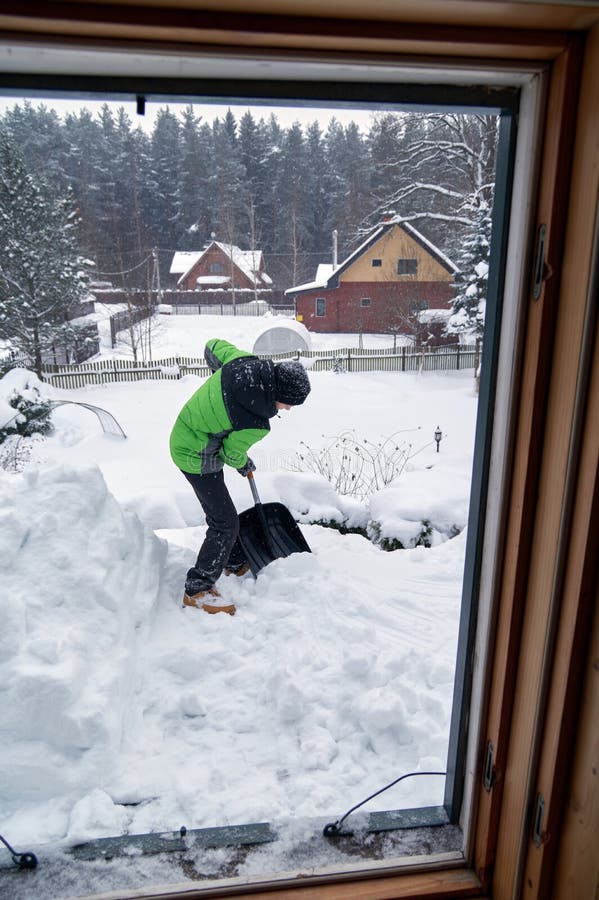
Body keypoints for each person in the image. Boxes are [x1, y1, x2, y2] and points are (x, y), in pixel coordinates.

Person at [170, 338, 311, 615]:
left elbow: (212, 345)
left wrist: (220, 386)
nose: (288, 409)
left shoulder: (242, 362)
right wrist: (243, 462)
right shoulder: (256, 422)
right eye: (288, 403)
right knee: (224, 522)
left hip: (184, 432)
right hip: (195, 455)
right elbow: (229, 453)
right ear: (278, 393)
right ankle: (197, 588)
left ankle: (233, 560)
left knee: (225, 517)